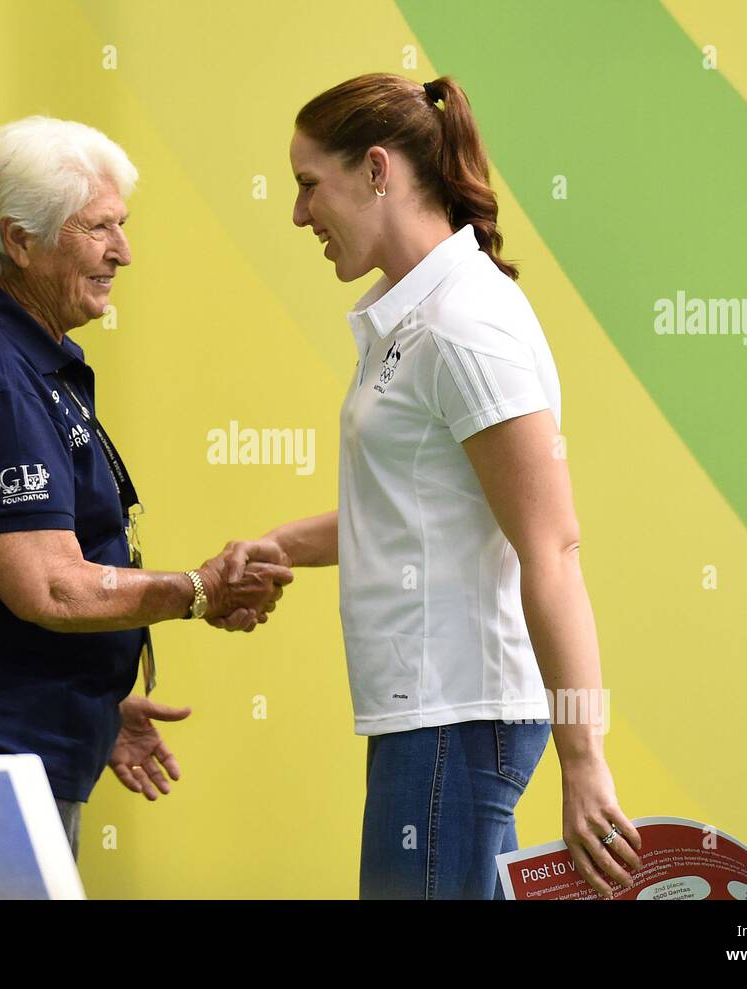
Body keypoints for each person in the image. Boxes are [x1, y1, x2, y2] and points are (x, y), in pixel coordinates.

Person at [214, 73, 641, 899]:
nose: (299, 214)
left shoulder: (465, 324)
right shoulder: (410, 318)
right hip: (435, 717)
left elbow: (552, 544)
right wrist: (281, 547)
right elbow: (415, 504)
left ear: (378, 170)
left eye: (309, 186)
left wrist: (585, 760)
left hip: (456, 715)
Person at [0, 116, 292, 862]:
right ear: (19, 240)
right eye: (99, 229)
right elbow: (48, 585)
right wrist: (197, 589)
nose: (124, 251)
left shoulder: (18, 354)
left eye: (122, 225)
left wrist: (93, 697)